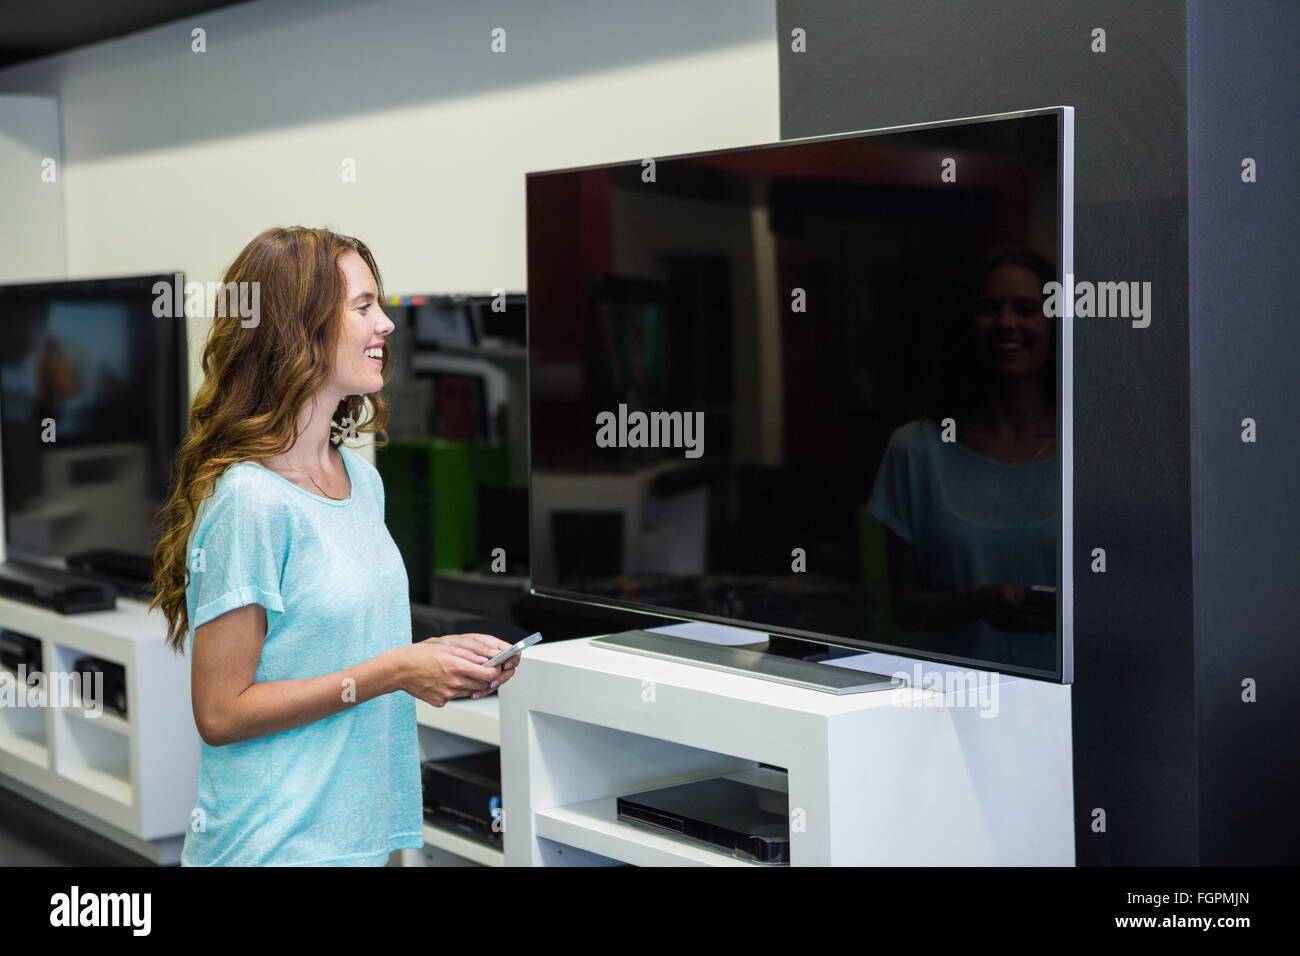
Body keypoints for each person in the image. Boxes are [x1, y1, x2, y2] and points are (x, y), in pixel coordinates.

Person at [151, 226, 518, 865]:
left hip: (356, 838)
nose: (387, 325)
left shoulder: (363, 482)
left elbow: (333, 648)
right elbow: (219, 712)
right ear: (299, 329)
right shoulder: (250, 500)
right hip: (274, 847)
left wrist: (429, 657)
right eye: (363, 306)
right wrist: (397, 670)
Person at [867, 247, 1058, 672]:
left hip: (1079, 713)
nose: (1006, 323)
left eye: (1026, 309)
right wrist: (978, 603)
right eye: (989, 309)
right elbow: (902, 607)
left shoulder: (1093, 451)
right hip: (954, 709)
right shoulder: (916, 450)